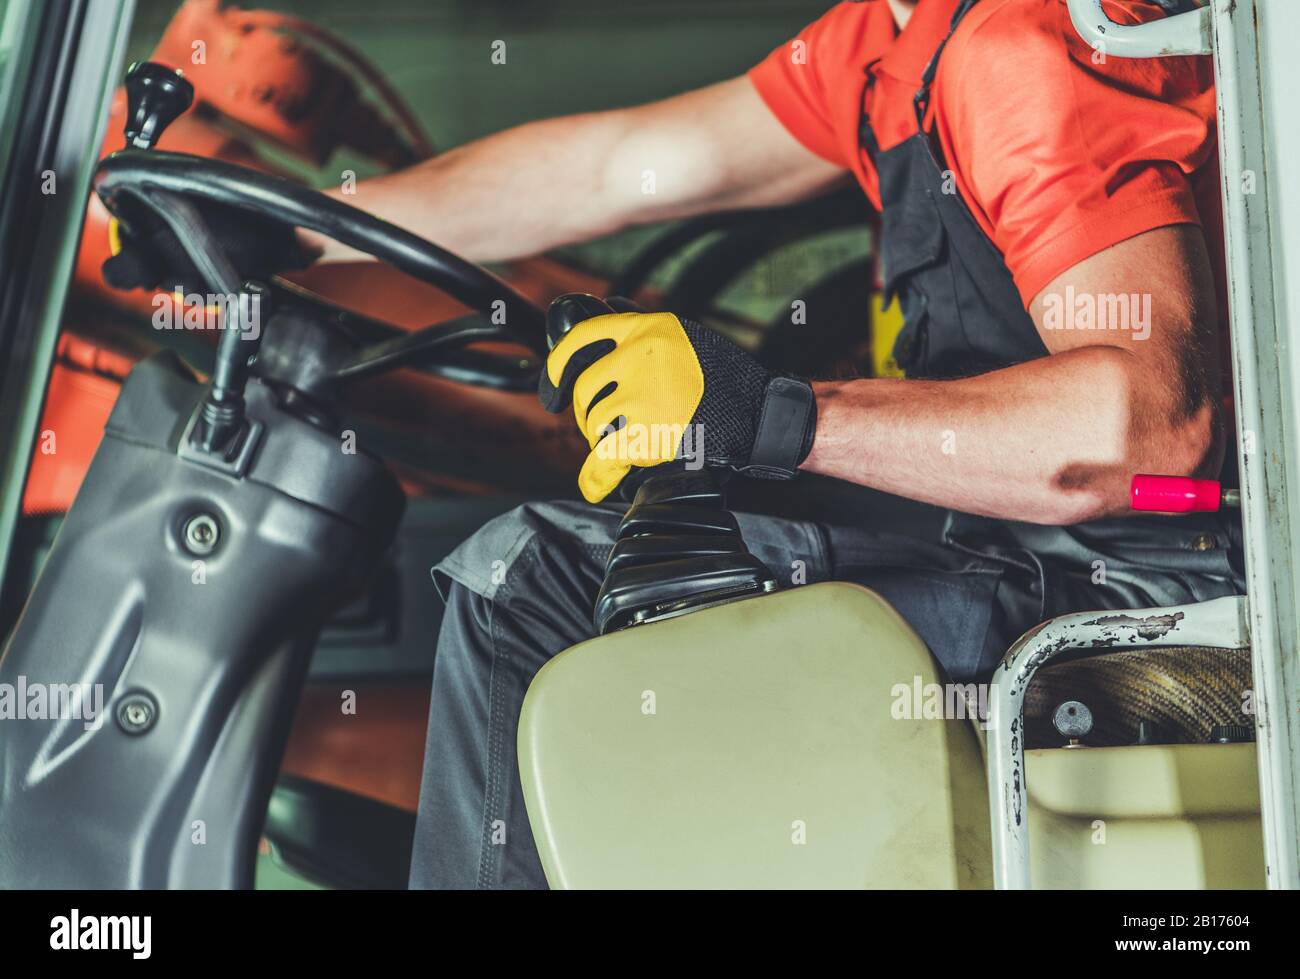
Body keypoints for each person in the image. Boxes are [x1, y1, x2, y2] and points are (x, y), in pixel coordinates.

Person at [124, 0, 1245, 888]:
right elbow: (614, 167)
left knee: (539, 576)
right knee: (614, 550)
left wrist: (773, 415)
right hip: (1011, 544)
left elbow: (1143, 427)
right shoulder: (887, 43)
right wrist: (294, 232)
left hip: (1128, 590)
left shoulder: (1015, 50)